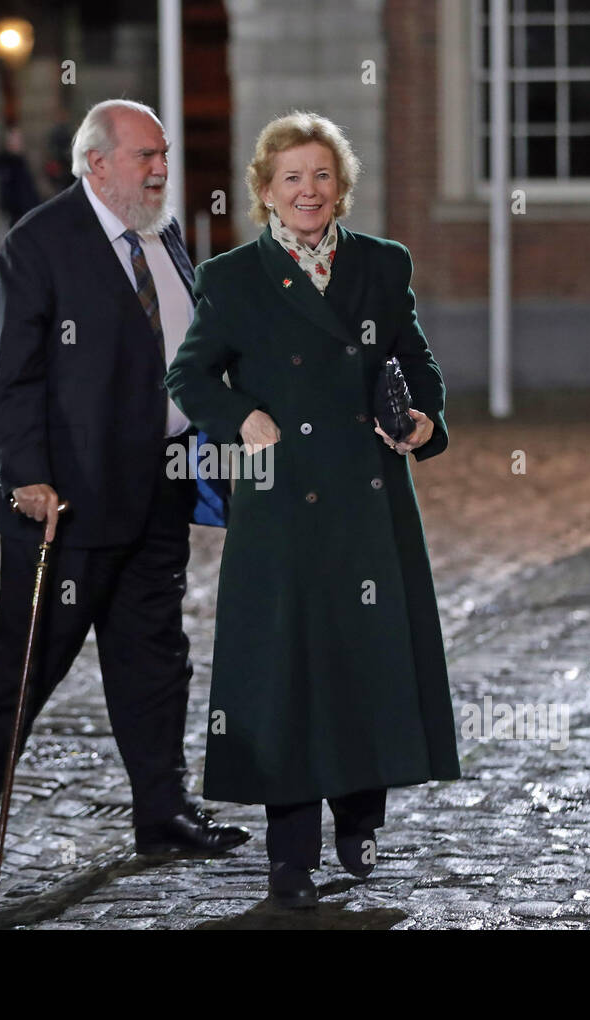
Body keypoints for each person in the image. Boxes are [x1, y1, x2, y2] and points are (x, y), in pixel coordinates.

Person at [164, 111, 462, 908]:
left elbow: (415, 361)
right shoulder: (231, 279)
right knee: (284, 673)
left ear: (342, 189)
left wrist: (425, 420)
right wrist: (239, 420)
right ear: (264, 192)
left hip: (368, 496)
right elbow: (188, 379)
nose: (308, 191)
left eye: (322, 176)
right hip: (281, 503)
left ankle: (360, 818)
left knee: (364, 658)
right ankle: (288, 855)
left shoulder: (380, 266)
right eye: (291, 178)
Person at [0, 99, 248, 861]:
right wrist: (28, 477)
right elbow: (10, 376)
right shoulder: (39, 244)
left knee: (154, 657)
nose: (160, 169)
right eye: (145, 156)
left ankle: (163, 811)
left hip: (160, 488)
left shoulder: (165, 236)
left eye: (165, 154)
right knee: (33, 656)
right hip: (65, 502)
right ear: (97, 163)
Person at [0, 126, 41, 229]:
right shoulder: (4, 164)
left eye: (19, 140)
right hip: (12, 215)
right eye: (15, 140)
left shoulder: (21, 162)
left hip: (25, 213)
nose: (19, 143)